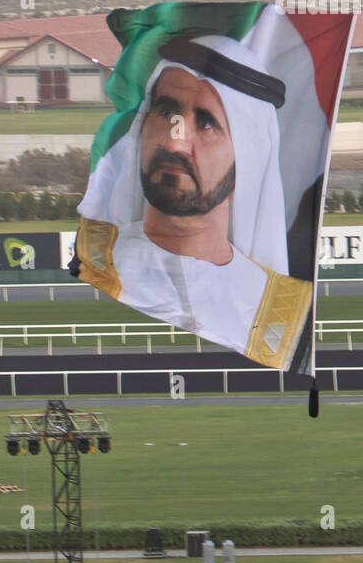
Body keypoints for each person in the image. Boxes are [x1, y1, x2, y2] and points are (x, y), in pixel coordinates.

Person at [73, 34, 312, 370]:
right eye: (167, 112)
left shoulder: (279, 312)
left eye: (206, 123)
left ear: (249, 157)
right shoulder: (98, 266)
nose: (176, 143)